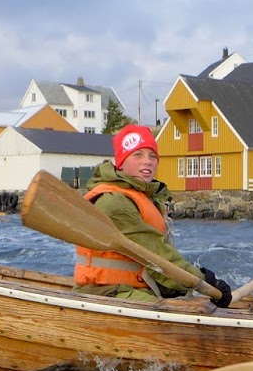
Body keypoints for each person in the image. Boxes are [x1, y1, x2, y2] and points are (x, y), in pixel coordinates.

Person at [72, 123, 234, 307]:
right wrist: (204, 282)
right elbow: (156, 256)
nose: (147, 161)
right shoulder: (115, 203)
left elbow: (154, 263)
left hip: (133, 289)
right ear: (121, 162)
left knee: (189, 304)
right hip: (106, 292)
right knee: (178, 316)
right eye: (138, 155)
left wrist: (185, 287)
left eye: (153, 156)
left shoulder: (144, 197)